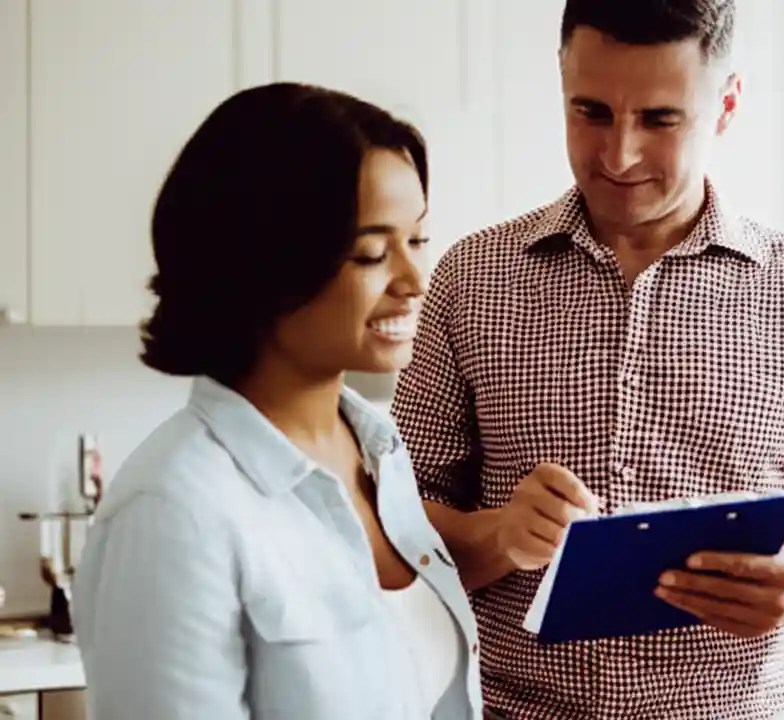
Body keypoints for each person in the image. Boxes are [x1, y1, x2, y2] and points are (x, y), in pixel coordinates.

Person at [392, 0, 784, 717]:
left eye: (660, 119)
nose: (619, 155)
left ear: (727, 104)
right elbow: (392, 526)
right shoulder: (471, 279)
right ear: (561, 82)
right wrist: (497, 534)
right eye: (591, 112)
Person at [72, 82, 483, 720]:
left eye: (418, 240)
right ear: (263, 265)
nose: (413, 281)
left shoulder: (379, 454)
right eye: (371, 252)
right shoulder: (173, 510)